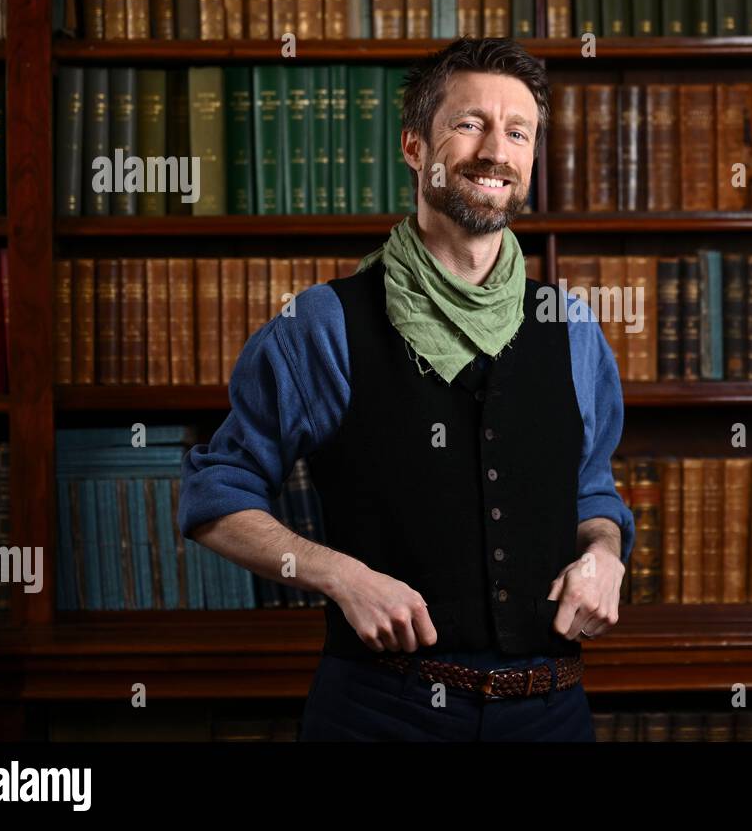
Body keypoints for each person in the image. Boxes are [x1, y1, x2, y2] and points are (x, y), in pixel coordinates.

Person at [178, 37, 636, 741]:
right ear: (416, 147)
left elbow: (593, 493)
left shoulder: (571, 329)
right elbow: (216, 496)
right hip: (379, 715)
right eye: (469, 123)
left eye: (518, 132)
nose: (495, 151)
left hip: (552, 716)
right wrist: (340, 575)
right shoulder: (322, 325)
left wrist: (604, 556)